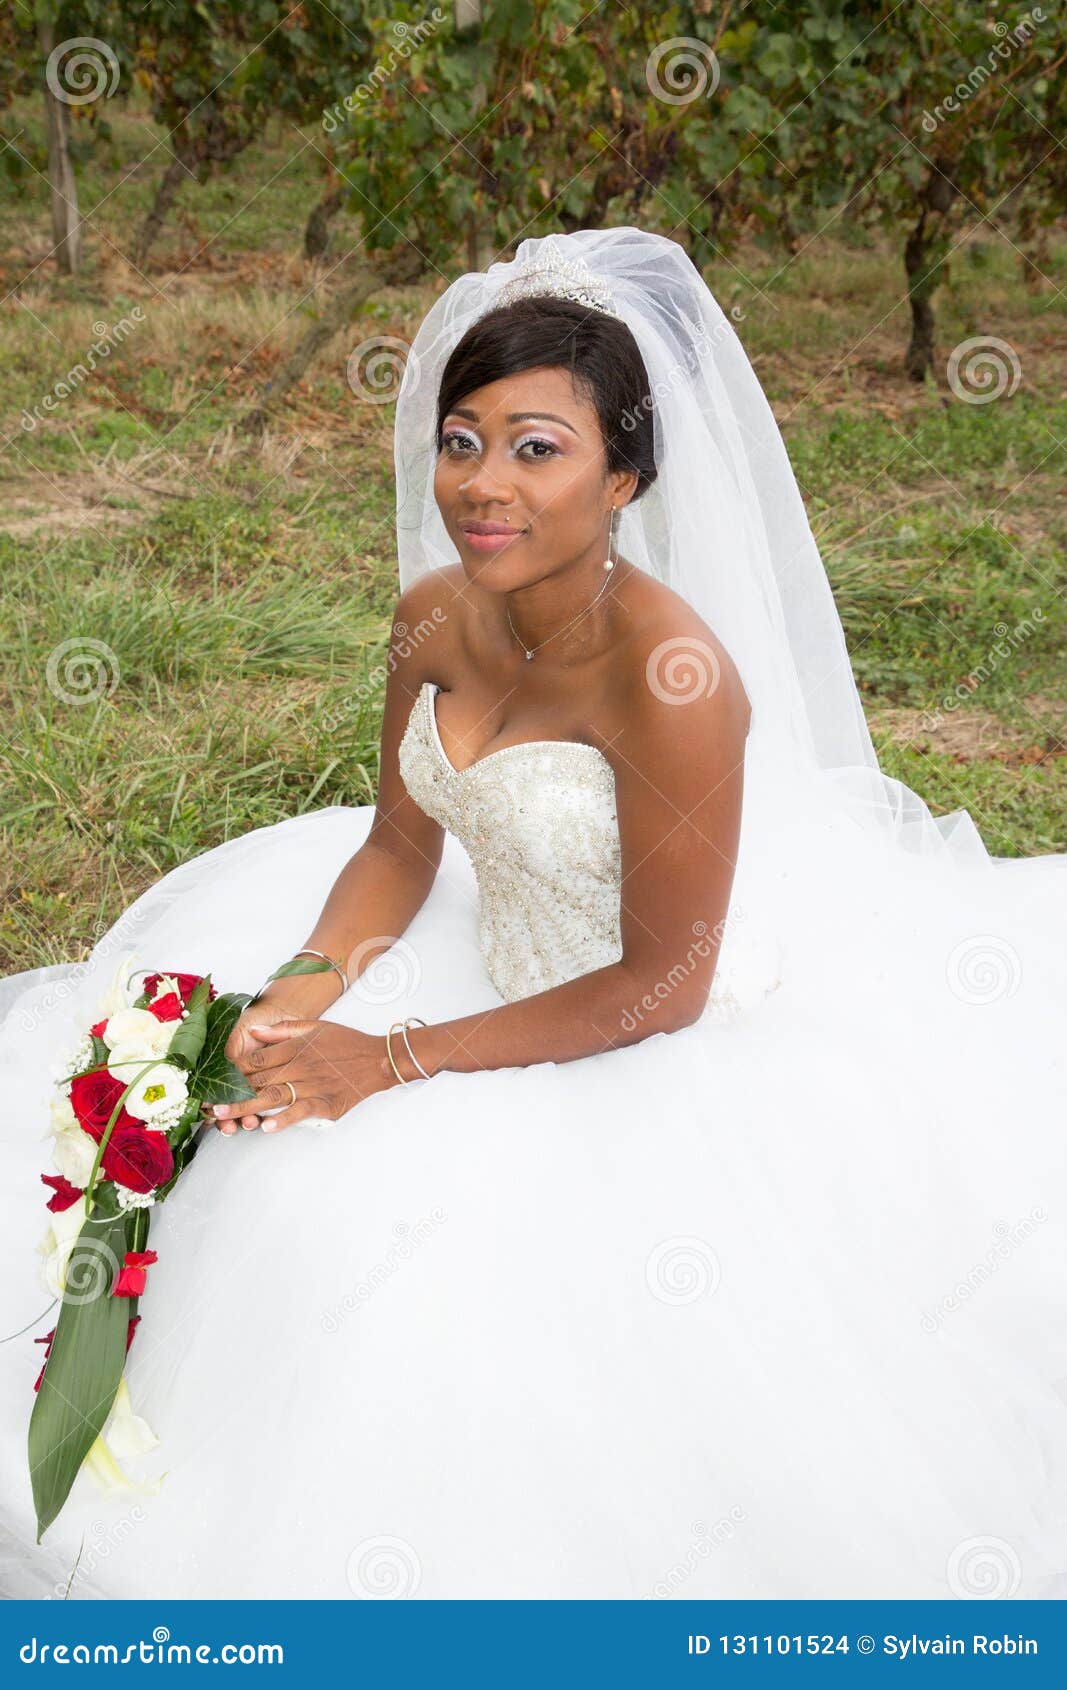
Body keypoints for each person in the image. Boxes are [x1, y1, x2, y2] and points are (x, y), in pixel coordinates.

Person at [2, 229, 1065, 1602]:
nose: (482, 485)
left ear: (626, 476)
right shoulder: (438, 615)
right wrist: (302, 992)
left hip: (646, 1031)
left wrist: (390, 1059)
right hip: (480, 952)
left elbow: (662, 987)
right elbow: (396, 846)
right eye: (462, 439)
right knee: (248, 1163)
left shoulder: (675, 680)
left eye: (537, 449)